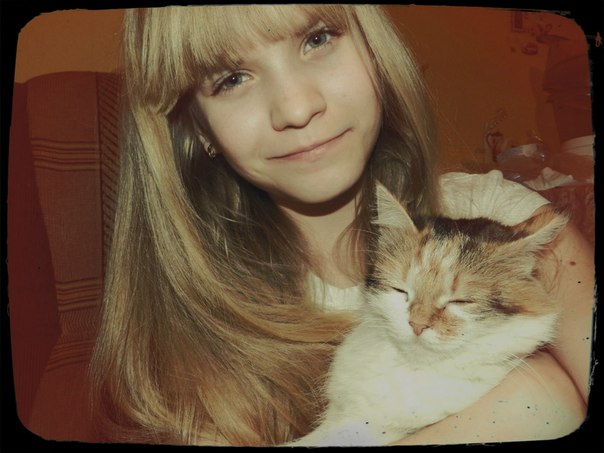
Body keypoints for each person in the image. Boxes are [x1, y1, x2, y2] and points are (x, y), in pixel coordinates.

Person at [90, 5, 594, 446]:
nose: (296, 108)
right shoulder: (184, 338)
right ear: (199, 130)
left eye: (317, 39)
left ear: (376, 50)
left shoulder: (509, 218)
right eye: (231, 78)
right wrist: (531, 402)